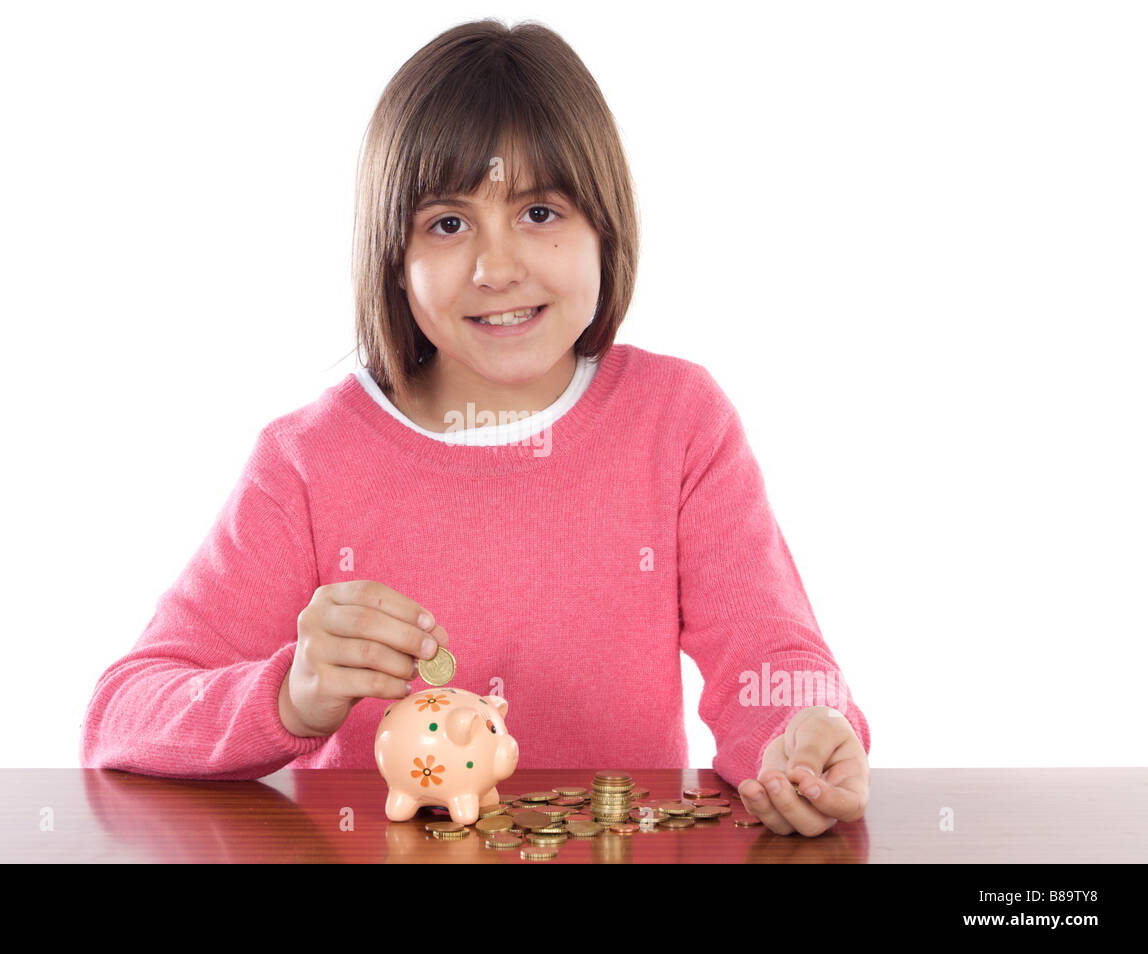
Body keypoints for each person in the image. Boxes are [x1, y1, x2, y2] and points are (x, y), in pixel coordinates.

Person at [79, 18, 871, 837]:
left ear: (606, 226)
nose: (498, 268)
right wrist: (289, 696)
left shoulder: (679, 421)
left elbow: (771, 664)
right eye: (449, 224)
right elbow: (123, 715)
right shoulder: (309, 460)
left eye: (539, 211)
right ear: (394, 255)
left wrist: (804, 740)